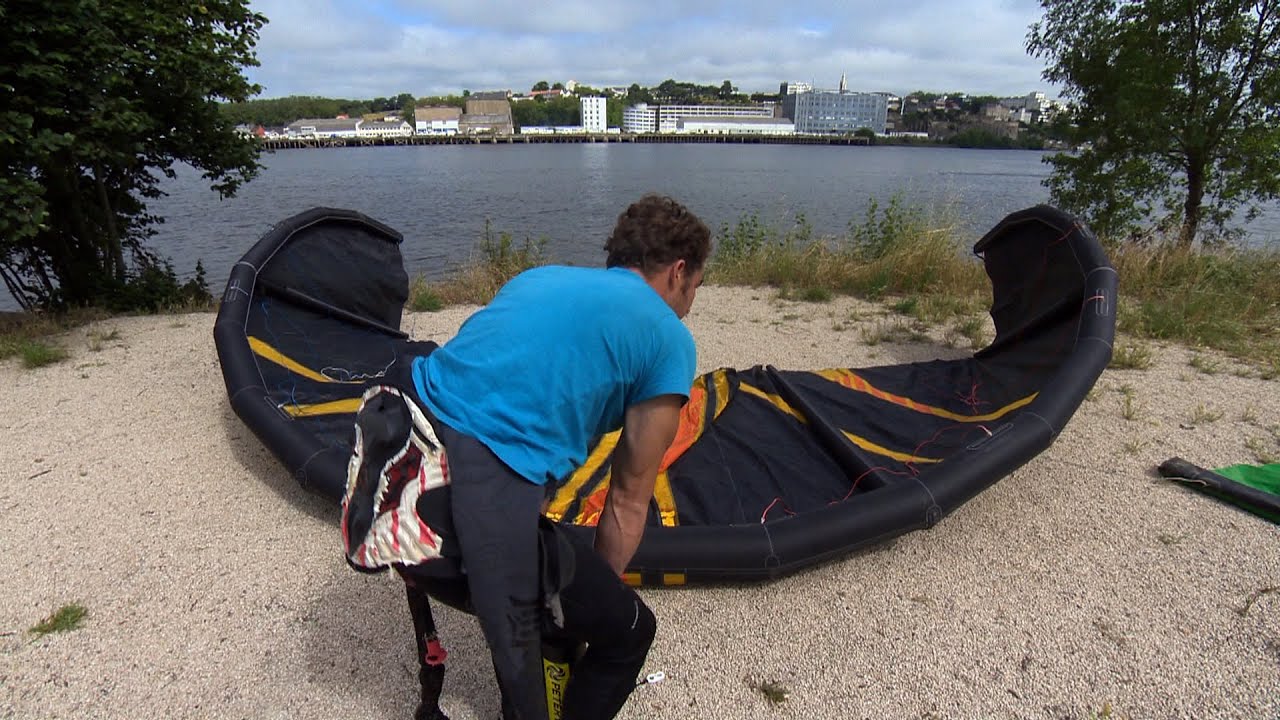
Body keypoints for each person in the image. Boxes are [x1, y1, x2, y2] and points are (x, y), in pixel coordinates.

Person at [343, 193, 711, 720]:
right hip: (452, 524)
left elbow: (484, 391)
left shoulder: (538, 279)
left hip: (388, 491)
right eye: (695, 287)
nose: (689, 303)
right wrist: (587, 610)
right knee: (629, 631)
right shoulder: (668, 338)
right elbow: (628, 502)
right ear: (678, 272)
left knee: (534, 553)